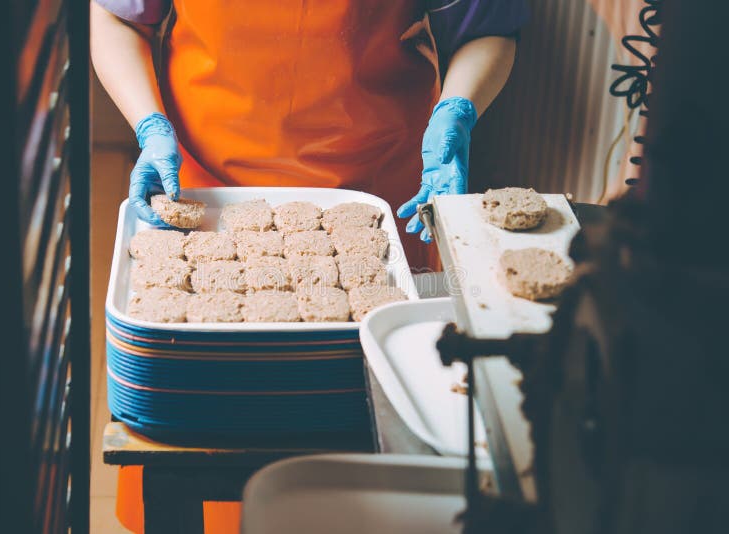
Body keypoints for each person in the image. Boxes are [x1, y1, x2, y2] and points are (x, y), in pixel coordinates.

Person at [91, 1, 527, 531]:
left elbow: (491, 29)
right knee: (206, 434)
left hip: (375, 204)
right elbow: (114, 15)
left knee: (364, 461)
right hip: (207, 194)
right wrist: (148, 124)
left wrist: (457, 110)